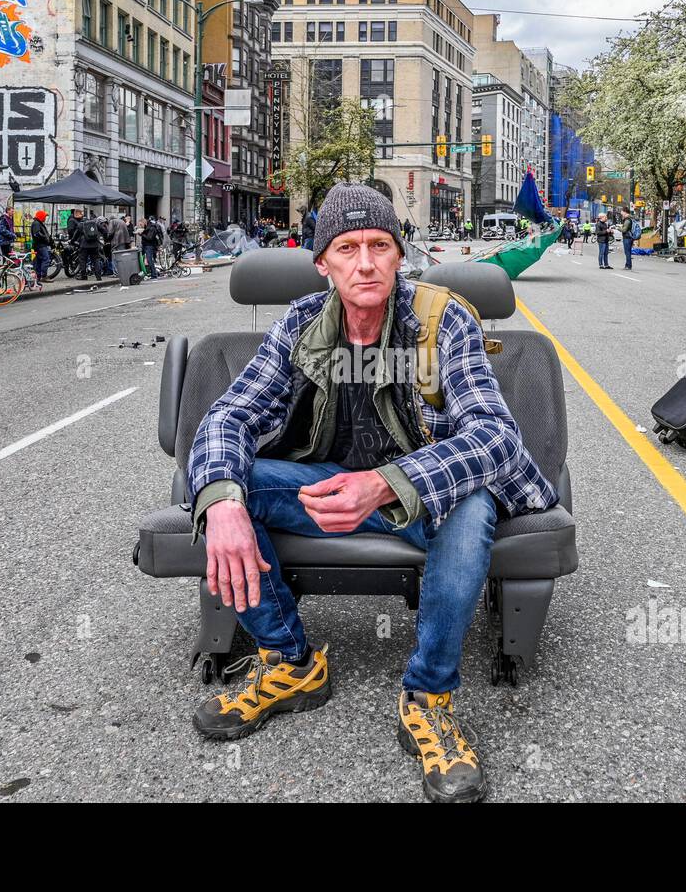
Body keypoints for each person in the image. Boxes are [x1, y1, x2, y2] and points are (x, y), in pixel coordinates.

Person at [187, 182, 558, 803]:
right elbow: (228, 418)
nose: (365, 262)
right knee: (223, 486)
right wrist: (224, 501)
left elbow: (495, 438)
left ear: (398, 254)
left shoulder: (442, 319)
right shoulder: (302, 324)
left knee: (472, 504)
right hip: (325, 490)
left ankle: (429, 699)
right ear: (322, 262)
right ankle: (291, 664)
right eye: (348, 247)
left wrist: (387, 484)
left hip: (421, 500)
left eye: (380, 245)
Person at [70, 208, 105, 280]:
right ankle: (98, 277)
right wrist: (103, 237)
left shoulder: (80, 225)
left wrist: (72, 241)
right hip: (95, 245)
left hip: (84, 246)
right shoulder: (94, 223)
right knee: (96, 260)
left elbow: (75, 235)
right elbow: (104, 230)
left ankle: (84, 276)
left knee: (83, 261)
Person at [30, 210, 53, 288]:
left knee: (39, 261)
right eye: (44, 216)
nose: (45, 218)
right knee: (46, 259)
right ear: (41, 216)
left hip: (39, 245)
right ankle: (44, 276)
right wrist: (45, 238)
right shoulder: (36, 223)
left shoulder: (38, 223)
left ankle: (39, 276)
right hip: (40, 245)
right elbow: (37, 234)